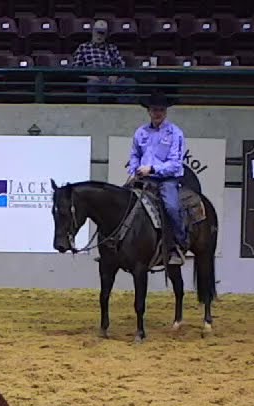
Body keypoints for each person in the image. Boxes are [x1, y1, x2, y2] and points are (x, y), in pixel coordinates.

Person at [127, 90, 188, 264]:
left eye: (161, 110)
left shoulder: (175, 133)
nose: (157, 113)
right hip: (143, 178)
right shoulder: (141, 132)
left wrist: (152, 169)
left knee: (171, 207)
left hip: (167, 179)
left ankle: (178, 243)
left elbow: (175, 164)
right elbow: (134, 155)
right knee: (123, 203)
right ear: (149, 111)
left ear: (166, 111)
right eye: (154, 110)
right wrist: (134, 171)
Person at [71, 19, 134, 104]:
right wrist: (89, 76)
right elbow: (76, 67)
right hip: (94, 78)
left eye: (102, 33)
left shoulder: (112, 48)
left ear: (106, 35)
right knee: (92, 84)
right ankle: (92, 112)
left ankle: (123, 112)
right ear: (93, 32)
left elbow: (121, 64)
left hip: (111, 78)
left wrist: (115, 74)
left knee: (130, 83)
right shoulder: (83, 47)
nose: (99, 36)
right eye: (97, 32)